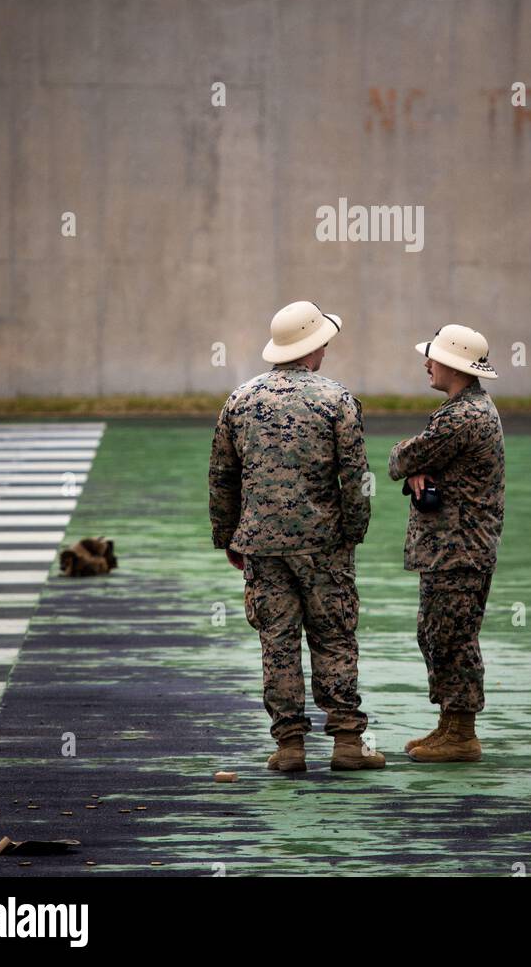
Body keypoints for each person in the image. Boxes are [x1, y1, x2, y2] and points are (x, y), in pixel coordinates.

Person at [208, 300, 385, 773]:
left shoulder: (240, 400)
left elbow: (222, 477)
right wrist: (352, 532)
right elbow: (356, 478)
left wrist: (228, 537)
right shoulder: (337, 400)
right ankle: (347, 741)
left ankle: (289, 747)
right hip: (324, 543)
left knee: (278, 641)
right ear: (314, 347)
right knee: (334, 636)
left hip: (261, 547)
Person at [388, 324, 505, 763]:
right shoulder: (466, 410)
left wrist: (412, 461)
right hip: (453, 547)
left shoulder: (462, 416)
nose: (426, 364)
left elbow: (402, 458)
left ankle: (462, 734)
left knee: (452, 637)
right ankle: (450, 726)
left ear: (453, 365)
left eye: (432, 357)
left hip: (458, 548)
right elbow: (419, 461)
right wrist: (421, 466)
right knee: (438, 632)